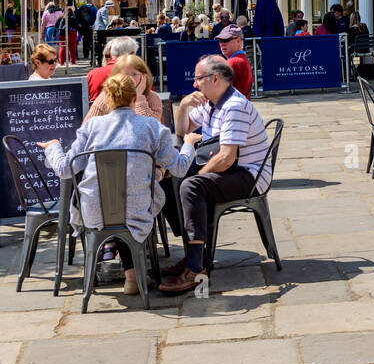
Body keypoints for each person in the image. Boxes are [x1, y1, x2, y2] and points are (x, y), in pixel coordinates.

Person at [41, 72, 201, 296]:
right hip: (138, 211)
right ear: (136, 99)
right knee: (133, 197)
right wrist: (189, 143)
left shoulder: (91, 127)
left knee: (113, 200)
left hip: (94, 213)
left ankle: (131, 274)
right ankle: (134, 272)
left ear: (107, 99)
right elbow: (179, 168)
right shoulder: (152, 127)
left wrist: (53, 146)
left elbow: (65, 169)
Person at [159, 56, 270, 295]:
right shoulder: (212, 102)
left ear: (216, 79)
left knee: (191, 186)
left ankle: (196, 268)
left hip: (248, 174)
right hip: (228, 167)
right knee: (168, 178)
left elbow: (227, 158)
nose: (195, 85)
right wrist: (184, 105)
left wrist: (196, 175)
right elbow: (180, 130)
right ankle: (193, 252)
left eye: (198, 79)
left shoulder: (234, 107)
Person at [86, 55, 162, 121]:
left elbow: (153, 127)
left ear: (144, 76)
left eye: (135, 74)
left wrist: (139, 98)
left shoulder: (152, 97)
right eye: (126, 74)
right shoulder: (106, 96)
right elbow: (87, 126)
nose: (131, 78)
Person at [87, 36, 139, 101]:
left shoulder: (92, 74)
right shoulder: (137, 75)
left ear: (111, 54)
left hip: (96, 109)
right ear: (132, 54)